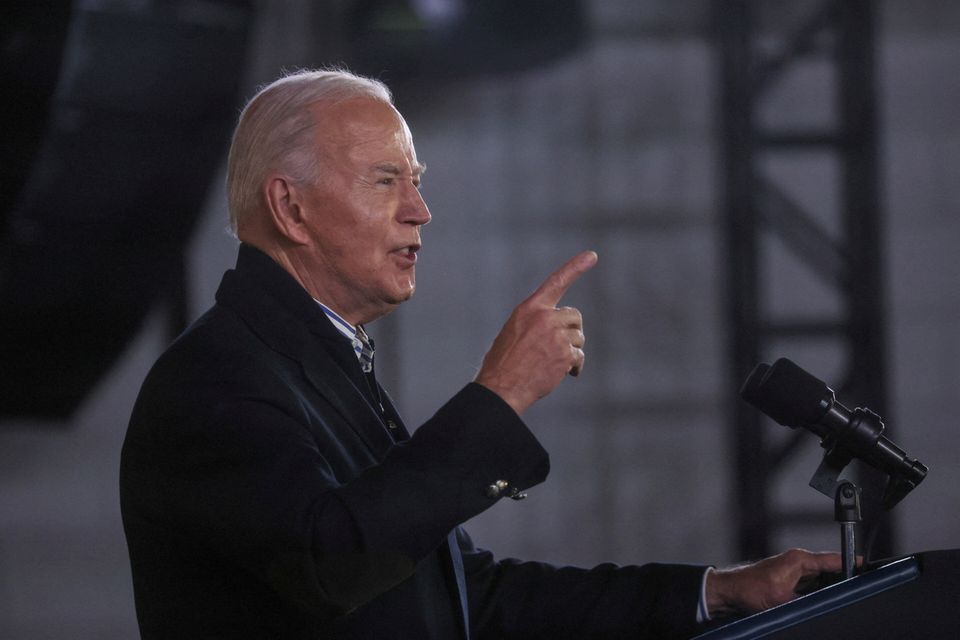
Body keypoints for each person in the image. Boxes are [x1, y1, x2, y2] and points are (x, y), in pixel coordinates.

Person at [120, 68, 842, 639]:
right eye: (386, 180)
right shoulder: (215, 381)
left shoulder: (319, 363)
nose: (420, 210)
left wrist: (715, 592)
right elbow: (331, 564)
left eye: (418, 181)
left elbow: (470, 600)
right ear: (291, 208)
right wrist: (501, 395)